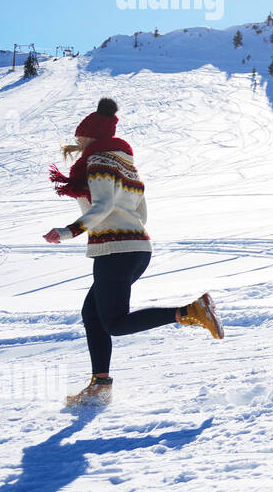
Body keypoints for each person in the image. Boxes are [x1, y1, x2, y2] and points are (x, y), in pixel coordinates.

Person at [44, 98, 223, 406]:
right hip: (136, 249)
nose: (77, 141)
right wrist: (126, 233)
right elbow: (141, 211)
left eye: (81, 136)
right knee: (93, 314)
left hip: (116, 251)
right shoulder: (126, 164)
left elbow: (103, 206)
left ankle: (192, 311)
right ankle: (100, 385)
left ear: (92, 135)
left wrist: (68, 231)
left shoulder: (99, 161)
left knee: (114, 322)